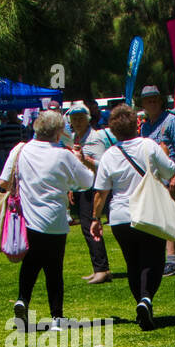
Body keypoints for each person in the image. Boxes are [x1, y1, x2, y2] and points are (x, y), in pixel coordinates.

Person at [0, 109, 96, 327]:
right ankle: (56, 316)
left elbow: (4, 181)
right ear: (59, 131)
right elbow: (87, 181)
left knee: (30, 264)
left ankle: (23, 299)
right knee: (54, 269)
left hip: (29, 220)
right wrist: (79, 160)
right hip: (55, 220)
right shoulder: (62, 154)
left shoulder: (21, 150)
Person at [91, 104, 175, 330]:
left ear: (113, 130)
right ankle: (146, 299)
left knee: (133, 263)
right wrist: (165, 151)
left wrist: (94, 219)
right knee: (154, 260)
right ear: (136, 124)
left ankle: (141, 303)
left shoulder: (109, 155)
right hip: (147, 211)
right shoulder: (149, 145)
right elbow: (170, 171)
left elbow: (101, 192)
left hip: (120, 216)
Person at [138, 85, 175, 275]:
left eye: (154, 99)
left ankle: (172, 260)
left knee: (165, 216)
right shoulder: (145, 126)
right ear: (142, 104)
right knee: (165, 216)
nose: (151, 102)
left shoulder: (171, 121)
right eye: (147, 100)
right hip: (153, 178)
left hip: (168, 176)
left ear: (160, 101)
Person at [66, 104, 117, 284]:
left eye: (80, 118)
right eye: (74, 118)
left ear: (87, 119)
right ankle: (99, 268)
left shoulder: (94, 139)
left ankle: (102, 269)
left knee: (92, 228)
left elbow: (102, 166)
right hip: (82, 188)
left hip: (94, 188)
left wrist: (84, 160)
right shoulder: (75, 138)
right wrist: (72, 187)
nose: (77, 122)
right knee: (86, 228)